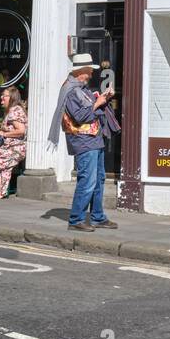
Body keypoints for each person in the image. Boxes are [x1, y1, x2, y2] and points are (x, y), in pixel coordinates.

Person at [61, 53, 116, 232]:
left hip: (94, 139)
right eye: (89, 71)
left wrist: (104, 99)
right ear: (81, 71)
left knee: (99, 179)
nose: (91, 75)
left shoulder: (81, 89)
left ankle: (97, 217)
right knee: (87, 180)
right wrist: (98, 101)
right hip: (84, 141)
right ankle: (76, 219)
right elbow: (80, 116)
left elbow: (92, 109)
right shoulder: (71, 90)